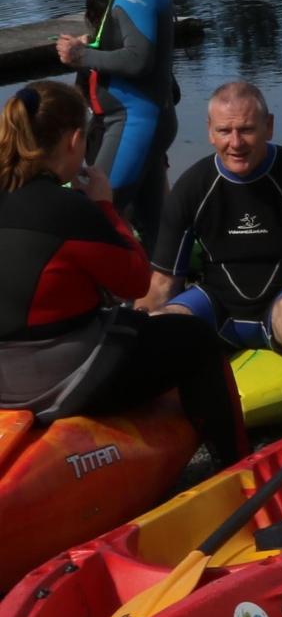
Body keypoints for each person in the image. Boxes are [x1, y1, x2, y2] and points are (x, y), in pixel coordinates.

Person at [0, 82, 243, 466]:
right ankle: (234, 466)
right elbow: (135, 281)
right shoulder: (70, 209)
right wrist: (104, 207)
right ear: (75, 139)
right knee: (197, 340)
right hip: (61, 383)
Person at [142, 81, 282, 402]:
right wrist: (139, 326)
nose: (235, 143)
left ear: (269, 126)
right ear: (210, 132)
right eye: (225, 131)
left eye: (247, 129)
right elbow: (164, 283)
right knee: (155, 325)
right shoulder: (193, 188)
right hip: (218, 309)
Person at [53, 0, 178, 247]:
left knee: (92, 215)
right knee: (150, 224)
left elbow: (139, 60)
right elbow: (130, 43)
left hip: (136, 122)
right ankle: (154, 294)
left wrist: (82, 55)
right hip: (136, 120)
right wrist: (93, 42)